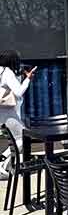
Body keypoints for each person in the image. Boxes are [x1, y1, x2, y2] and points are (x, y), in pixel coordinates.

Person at [0, 50, 37, 178]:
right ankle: (3, 161)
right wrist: (28, 79)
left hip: (2, 113)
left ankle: (8, 163)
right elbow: (19, 92)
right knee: (24, 137)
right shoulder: (7, 72)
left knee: (16, 139)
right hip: (7, 113)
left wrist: (20, 74)